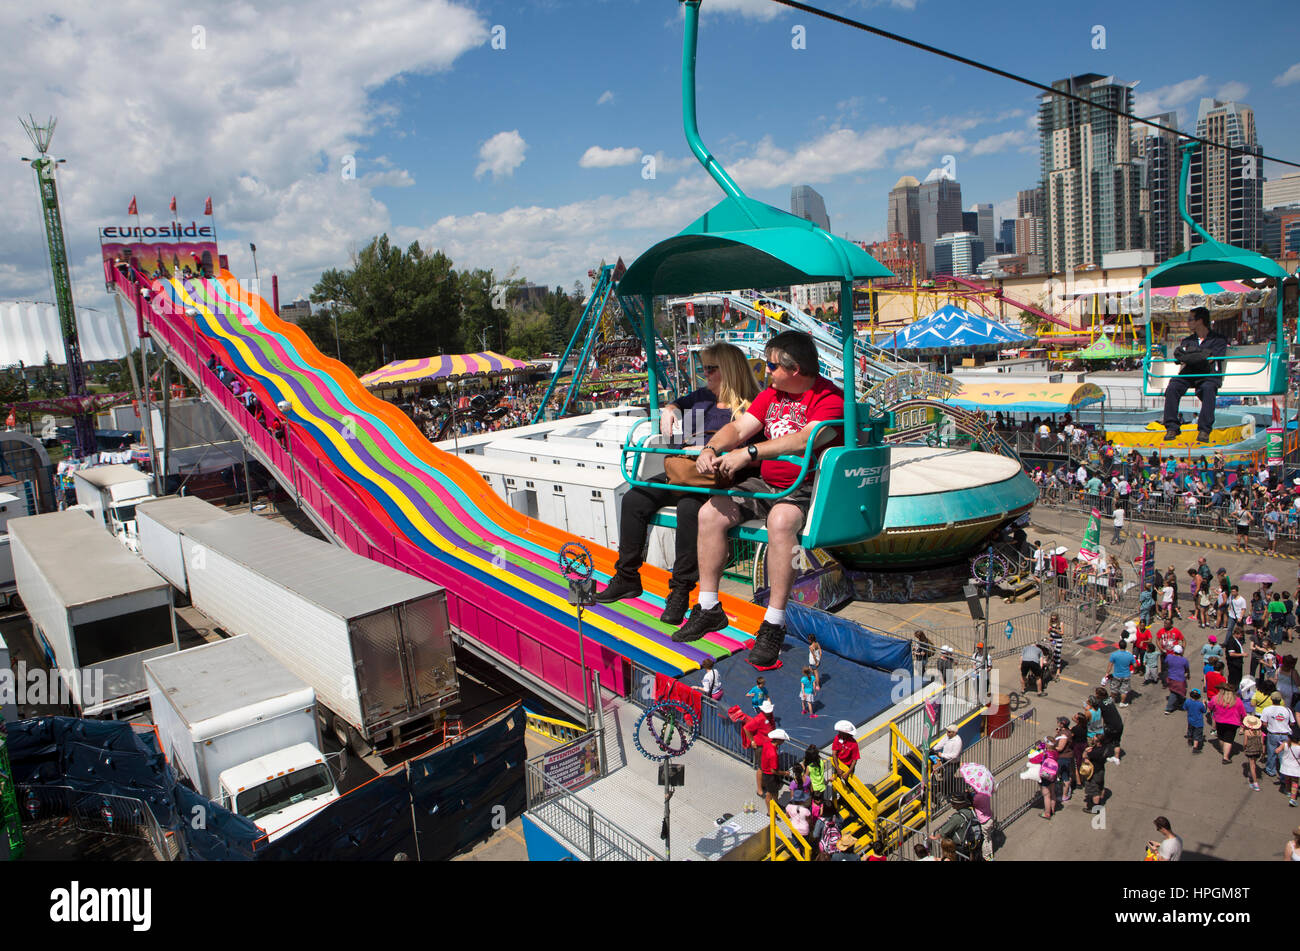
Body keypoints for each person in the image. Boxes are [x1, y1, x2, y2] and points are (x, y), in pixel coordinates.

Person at [674, 332, 845, 667]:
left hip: (804, 487)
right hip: (768, 483)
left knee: (781, 522)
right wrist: (712, 448)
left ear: (794, 369)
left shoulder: (829, 399)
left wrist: (748, 452)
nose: (766, 371)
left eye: (771, 365)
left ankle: (774, 623)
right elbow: (739, 429)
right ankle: (709, 606)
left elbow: (802, 439)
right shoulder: (772, 394)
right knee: (710, 513)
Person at [594, 343, 760, 624]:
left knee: (688, 508)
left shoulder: (749, 407)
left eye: (711, 368)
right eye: (703, 367)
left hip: (716, 477)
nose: (705, 373)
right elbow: (676, 405)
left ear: (729, 370)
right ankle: (627, 576)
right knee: (634, 499)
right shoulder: (702, 398)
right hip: (685, 471)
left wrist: (722, 455)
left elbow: (753, 454)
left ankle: (681, 590)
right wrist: (670, 410)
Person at [1163, 307, 1227, 442]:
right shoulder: (1187, 340)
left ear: (1200, 321)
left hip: (1207, 374)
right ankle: (1171, 427)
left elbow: (1215, 357)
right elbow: (1180, 355)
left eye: (1190, 319)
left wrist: (1192, 354)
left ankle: (1204, 430)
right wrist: (1202, 354)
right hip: (1190, 372)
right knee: (1173, 387)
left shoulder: (1218, 340)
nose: (1188, 322)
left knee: (1209, 389)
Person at [1209, 683, 1246, 764]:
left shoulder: (1216, 699)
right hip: (1233, 724)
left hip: (1219, 721)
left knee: (1221, 737)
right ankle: (1225, 757)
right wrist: (1243, 725)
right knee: (1229, 739)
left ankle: (1223, 750)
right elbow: (1243, 714)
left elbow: (1210, 706)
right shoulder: (1237, 701)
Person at [1261, 696, 1295, 778]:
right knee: (1283, 755)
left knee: (1271, 752)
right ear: (1281, 700)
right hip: (1285, 735)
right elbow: (1292, 723)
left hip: (1273, 734)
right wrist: (1284, 724)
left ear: (1271, 699)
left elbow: (1264, 723)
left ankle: (1270, 770)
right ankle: (1284, 774)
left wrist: (1272, 725)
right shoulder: (1287, 710)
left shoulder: (1267, 709)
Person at [757, 728, 791, 807]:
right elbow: (773, 771)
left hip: (766, 773)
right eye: (782, 740)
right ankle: (770, 812)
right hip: (770, 776)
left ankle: (775, 806)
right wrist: (785, 773)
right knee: (770, 794)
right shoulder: (773, 754)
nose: (783, 741)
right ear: (778, 740)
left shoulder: (767, 744)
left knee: (775, 792)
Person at [1108, 638, 1135, 706]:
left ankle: (1110, 701)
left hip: (1116, 675)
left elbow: (1110, 665)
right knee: (1124, 691)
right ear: (1125, 646)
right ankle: (1122, 703)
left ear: (1119, 646)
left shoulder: (1114, 654)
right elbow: (1135, 665)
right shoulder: (1130, 655)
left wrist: (1107, 673)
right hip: (1126, 675)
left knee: (1114, 689)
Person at [831, 720, 860, 787]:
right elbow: (834, 753)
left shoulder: (854, 744)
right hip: (839, 763)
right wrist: (838, 768)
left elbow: (854, 760)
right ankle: (841, 796)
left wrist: (848, 773)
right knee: (837, 782)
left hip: (848, 766)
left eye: (841, 732)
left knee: (849, 784)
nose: (839, 733)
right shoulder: (837, 738)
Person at [1242, 714, 1266, 791]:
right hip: (1258, 750)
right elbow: (1262, 743)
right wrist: (1263, 752)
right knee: (1254, 764)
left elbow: (1245, 743)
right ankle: (1252, 775)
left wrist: (1244, 748)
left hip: (1250, 750)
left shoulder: (1247, 732)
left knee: (1252, 766)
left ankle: (1255, 783)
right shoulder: (1260, 732)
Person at [1165, 644, 1191, 713]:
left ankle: (1180, 702)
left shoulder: (1169, 657)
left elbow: (1166, 663)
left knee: (1176, 691)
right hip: (1179, 679)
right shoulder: (1184, 660)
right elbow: (1187, 669)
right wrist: (1188, 674)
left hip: (1170, 678)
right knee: (1174, 692)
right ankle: (1169, 708)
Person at [1280, 731, 1300, 807]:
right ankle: (1293, 799)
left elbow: (1277, 751)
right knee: (1295, 782)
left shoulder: (1285, 744)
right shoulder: (1299, 748)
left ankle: (1288, 791)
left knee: (1287, 778)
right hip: (1295, 768)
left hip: (1286, 766)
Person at [1185, 688, 1207, 753]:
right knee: (1197, 735)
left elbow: (1185, 708)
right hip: (1198, 722)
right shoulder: (1200, 704)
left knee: (1190, 730)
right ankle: (1195, 748)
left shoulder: (1187, 701)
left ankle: (1189, 740)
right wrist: (1204, 704)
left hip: (1190, 720)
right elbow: (1204, 711)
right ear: (1199, 696)